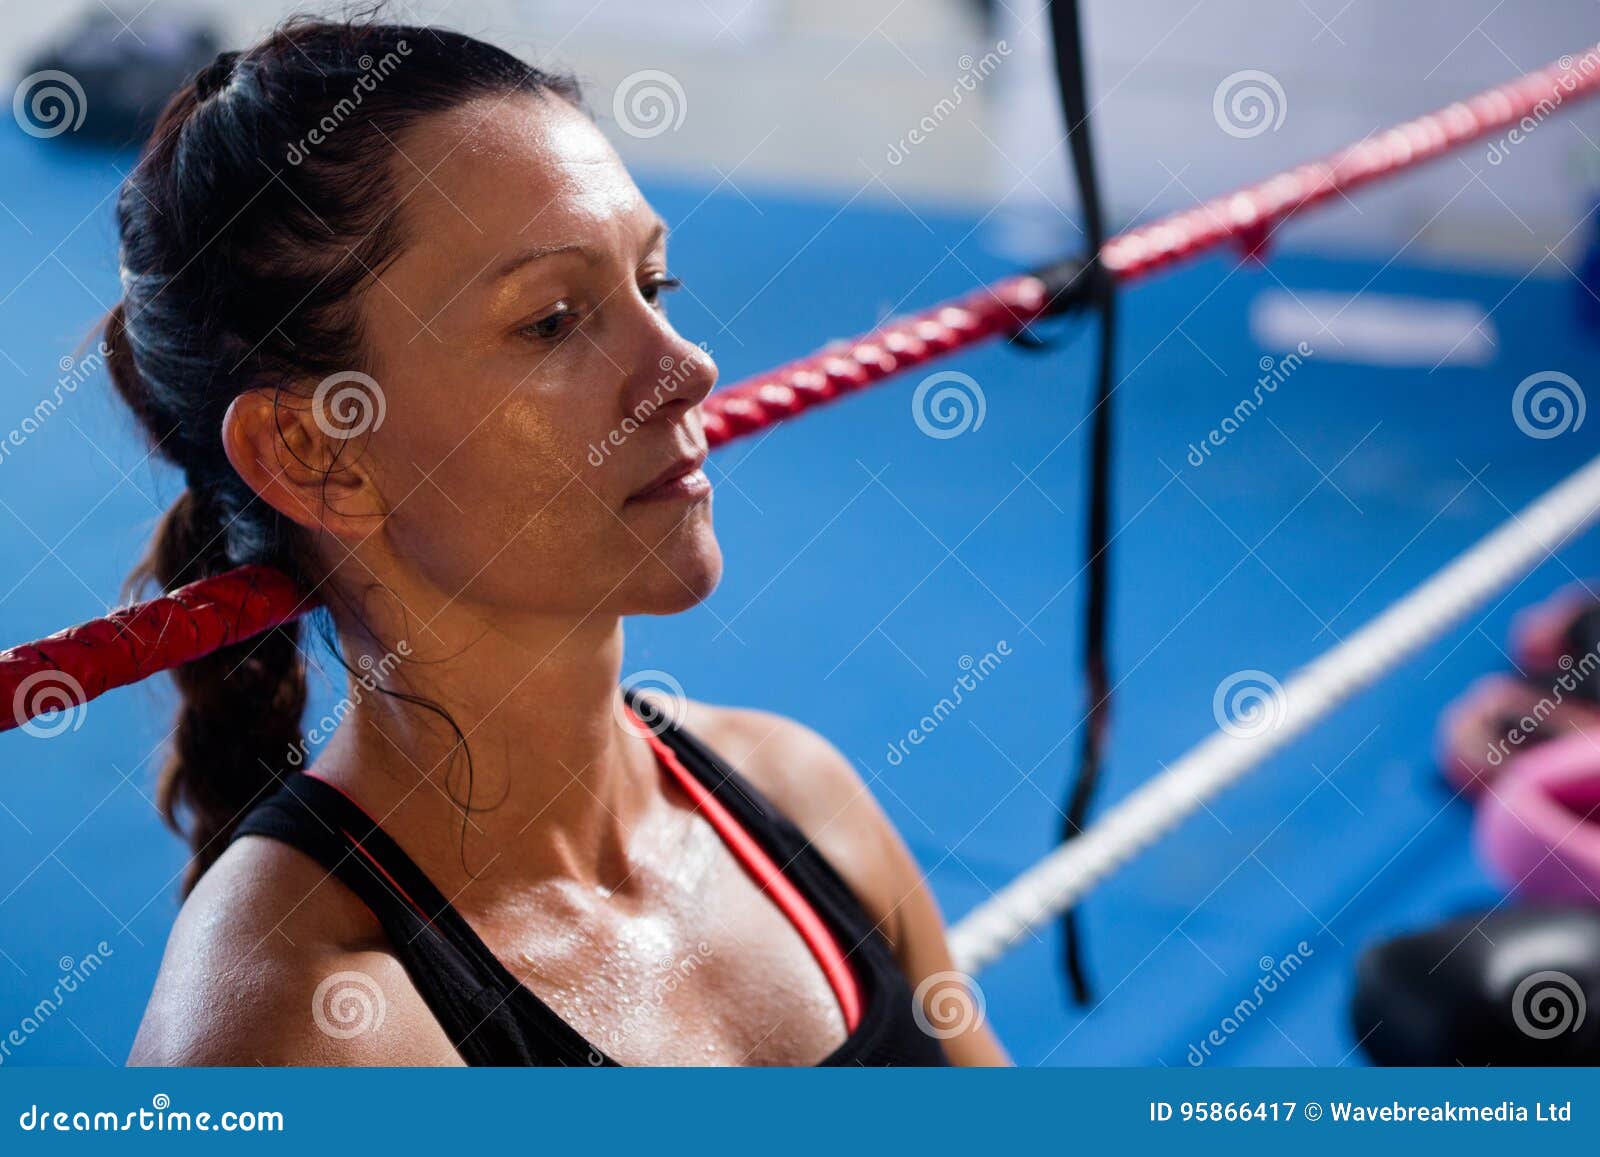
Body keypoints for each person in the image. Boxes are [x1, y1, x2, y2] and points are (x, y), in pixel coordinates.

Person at [114, 18, 1006, 1067]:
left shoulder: (794, 790)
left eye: (653, 285)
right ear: (320, 453)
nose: (687, 368)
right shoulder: (308, 1030)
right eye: (549, 320)